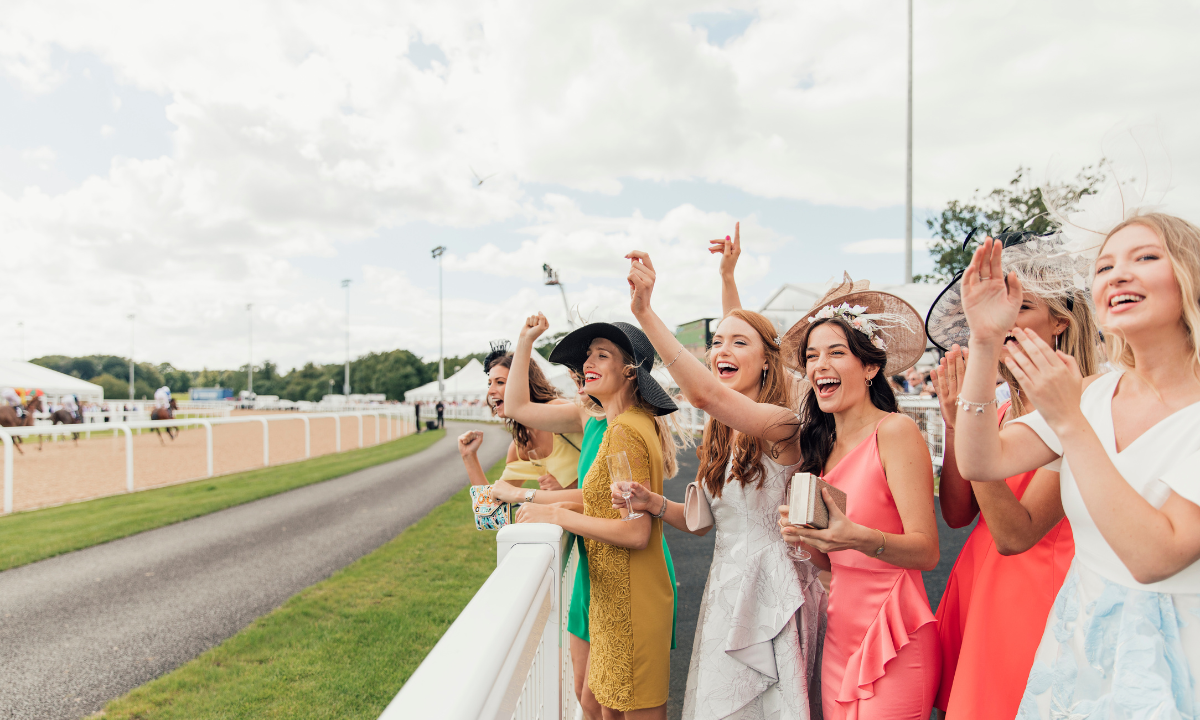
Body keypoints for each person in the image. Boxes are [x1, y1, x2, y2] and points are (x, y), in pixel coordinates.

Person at [952, 216, 1200, 716]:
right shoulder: (1092, 393)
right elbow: (981, 459)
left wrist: (1069, 422)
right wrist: (983, 343)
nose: (1118, 274)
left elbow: (1155, 558)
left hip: (1176, 653)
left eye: (1145, 258)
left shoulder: (1077, 404)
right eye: (1105, 266)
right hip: (1077, 643)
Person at [624, 241, 827, 720]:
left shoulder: (781, 424)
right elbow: (702, 523)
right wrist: (653, 502)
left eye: (739, 344)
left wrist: (645, 312)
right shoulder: (722, 433)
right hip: (726, 587)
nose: (722, 351)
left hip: (774, 588)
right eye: (716, 343)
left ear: (767, 361)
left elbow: (706, 392)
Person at [924, 230, 1100, 720]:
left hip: (1036, 596)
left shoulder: (1080, 407)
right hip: (982, 585)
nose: (1001, 318)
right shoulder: (1000, 414)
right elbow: (958, 515)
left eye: (1020, 308)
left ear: (1060, 323)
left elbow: (1015, 532)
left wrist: (969, 423)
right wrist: (961, 426)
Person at [772, 275, 941, 720]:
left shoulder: (895, 431)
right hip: (840, 632)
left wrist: (854, 536)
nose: (818, 365)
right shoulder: (819, 449)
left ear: (869, 368)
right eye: (811, 356)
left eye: (835, 352)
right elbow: (831, 564)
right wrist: (806, 538)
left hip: (895, 633)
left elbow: (926, 551)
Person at [504, 315, 682, 720]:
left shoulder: (626, 431)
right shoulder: (623, 423)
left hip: (633, 596)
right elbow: (609, 505)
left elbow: (636, 533)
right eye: (588, 356)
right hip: (614, 593)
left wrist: (555, 512)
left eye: (603, 355)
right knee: (604, 708)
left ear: (630, 371)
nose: (589, 362)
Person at [458, 340, 582, 492]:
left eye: (500, 382)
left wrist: (575, 484)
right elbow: (494, 503)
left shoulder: (559, 410)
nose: (490, 391)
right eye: (489, 383)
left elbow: (610, 455)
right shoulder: (521, 445)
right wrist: (468, 456)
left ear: (524, 384)